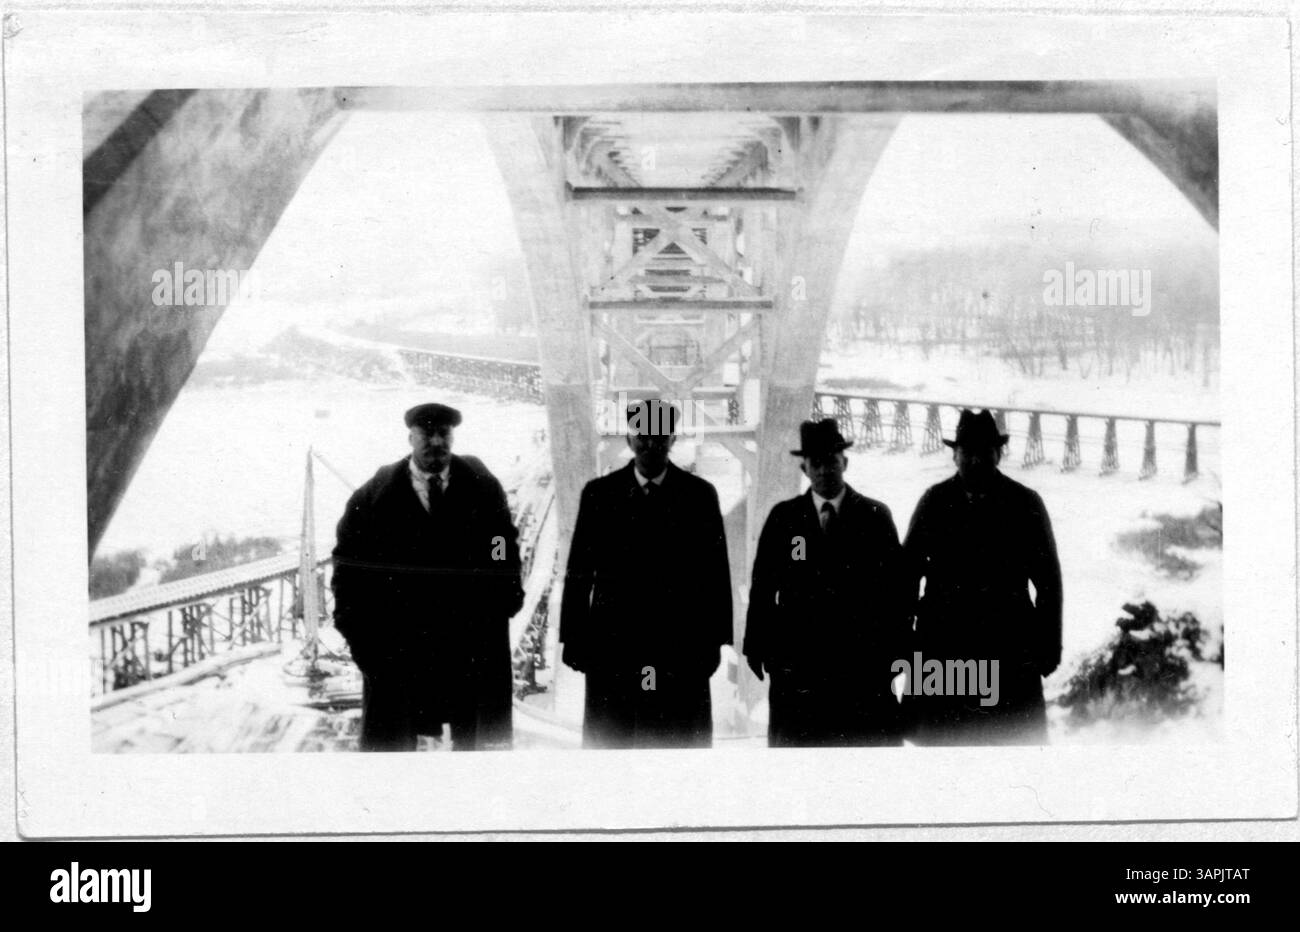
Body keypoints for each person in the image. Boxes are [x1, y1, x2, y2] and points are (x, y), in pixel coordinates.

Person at [331, 402, 524, 751]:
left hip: (469, 644)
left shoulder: (482, 485)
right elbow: (348, 573)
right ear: (410, 437)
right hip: (400, 647)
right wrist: (360, 640)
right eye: (427, 434)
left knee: (481, 751)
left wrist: (505, 594)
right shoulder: (372, 497)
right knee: (390, 755)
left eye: (443, 433)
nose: (436, 441)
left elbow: (501, 543)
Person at [559, 399, 733, 749]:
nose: (651, 444)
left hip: (679, 645)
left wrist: (716, 641)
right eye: (643, 436)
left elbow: (715, 574)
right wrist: (573, 638)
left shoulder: (699, 496)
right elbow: (578, 572)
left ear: (673, 440)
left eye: (659, 436)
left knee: (679, 743)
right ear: (629, 441)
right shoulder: (598, 494)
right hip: (613, 644)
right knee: (612, 743)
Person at [901, 408, 1063, 746]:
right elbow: (905, 575)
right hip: (943, 648)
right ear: (955, 455)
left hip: (1008, 646)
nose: (975, 460)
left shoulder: (1025, 503)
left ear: (998, 453)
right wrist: (904, 641)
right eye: (967, 452)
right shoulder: (934, 501)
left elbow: (1048, 581)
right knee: (943, 748)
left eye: (984, 452)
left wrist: (1048, 647)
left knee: (1008, 746)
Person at [742, 419, 908, 747]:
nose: (824, 470)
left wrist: (896, 654)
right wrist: (758, 650)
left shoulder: (876, 517)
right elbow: (762, 588)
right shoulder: (784, 519)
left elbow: (898, 592)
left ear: (844, 463)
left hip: (862, 667)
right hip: (799, 669)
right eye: (816, 463)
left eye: (831, 461)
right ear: (804, 468)